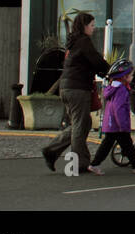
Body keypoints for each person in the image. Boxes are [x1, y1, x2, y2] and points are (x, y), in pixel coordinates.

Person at [42, 12, 108, 175]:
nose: (93, 29)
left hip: (67, 87)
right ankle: (80, 163)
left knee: (81, 124)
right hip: (78, 88)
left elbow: (88, 62)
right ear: (84, 26)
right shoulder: (84, 42)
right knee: (80, 125)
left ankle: (51, 150)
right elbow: (96, 60)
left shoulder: (74, 42)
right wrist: (111, 71)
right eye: (92, 25)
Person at [89, 61, 135, 175]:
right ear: (124, 77)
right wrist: (123, 125)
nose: (132, 77)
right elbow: (119, 108)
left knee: (108, 145)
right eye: (131, 75)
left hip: (111, 123)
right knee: (127, 145)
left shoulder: (112, 88)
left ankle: (94, 164)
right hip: (118, 124)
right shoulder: (121, 90)